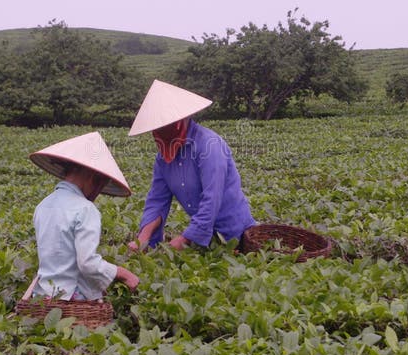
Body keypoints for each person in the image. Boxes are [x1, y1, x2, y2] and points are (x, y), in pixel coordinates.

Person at [127, 80, 256, 251]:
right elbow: (157, 200)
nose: (163, 131)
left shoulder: (209, 146)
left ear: (182, 119)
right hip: (204, 239)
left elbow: (212, 198)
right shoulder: (163, 157)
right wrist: (143, 237)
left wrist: (185, 238)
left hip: (235, 236)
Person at [29, 131, 139, 299]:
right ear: (91, 176)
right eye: (100, 185)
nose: (97, 192)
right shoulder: (85, 209)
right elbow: (87, 263)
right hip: (73, 298)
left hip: (44, 295)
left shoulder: (43, 205)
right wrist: (122, 273)